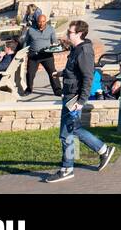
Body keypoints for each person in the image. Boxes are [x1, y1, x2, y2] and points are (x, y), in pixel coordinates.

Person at [44, 19, 114, 182]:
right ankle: (97, 152)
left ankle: (97, 152)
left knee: (69, 132)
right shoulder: (76, 49)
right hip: (69, 95)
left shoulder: (84, 51)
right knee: (69, 132)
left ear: (80, 33)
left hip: (74, 98)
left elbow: (88, 77)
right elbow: (75, 71)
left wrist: (81, 101)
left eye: (70, 32)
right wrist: (61, 73)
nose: (68, 34)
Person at [22, 12, 63, 95]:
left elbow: (54, 41)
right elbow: (26, 42)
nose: (41, 23)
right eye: (39, 22)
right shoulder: (31, 30)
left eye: (43, 21)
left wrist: (55, 46)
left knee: (52, 73)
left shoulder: (51, 29)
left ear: (46, 21)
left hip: (47, 55)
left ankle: (58, 90)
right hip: (34, 55)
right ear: (37, 21)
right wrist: (23, 52)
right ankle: (29, 89)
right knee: (30, 73)